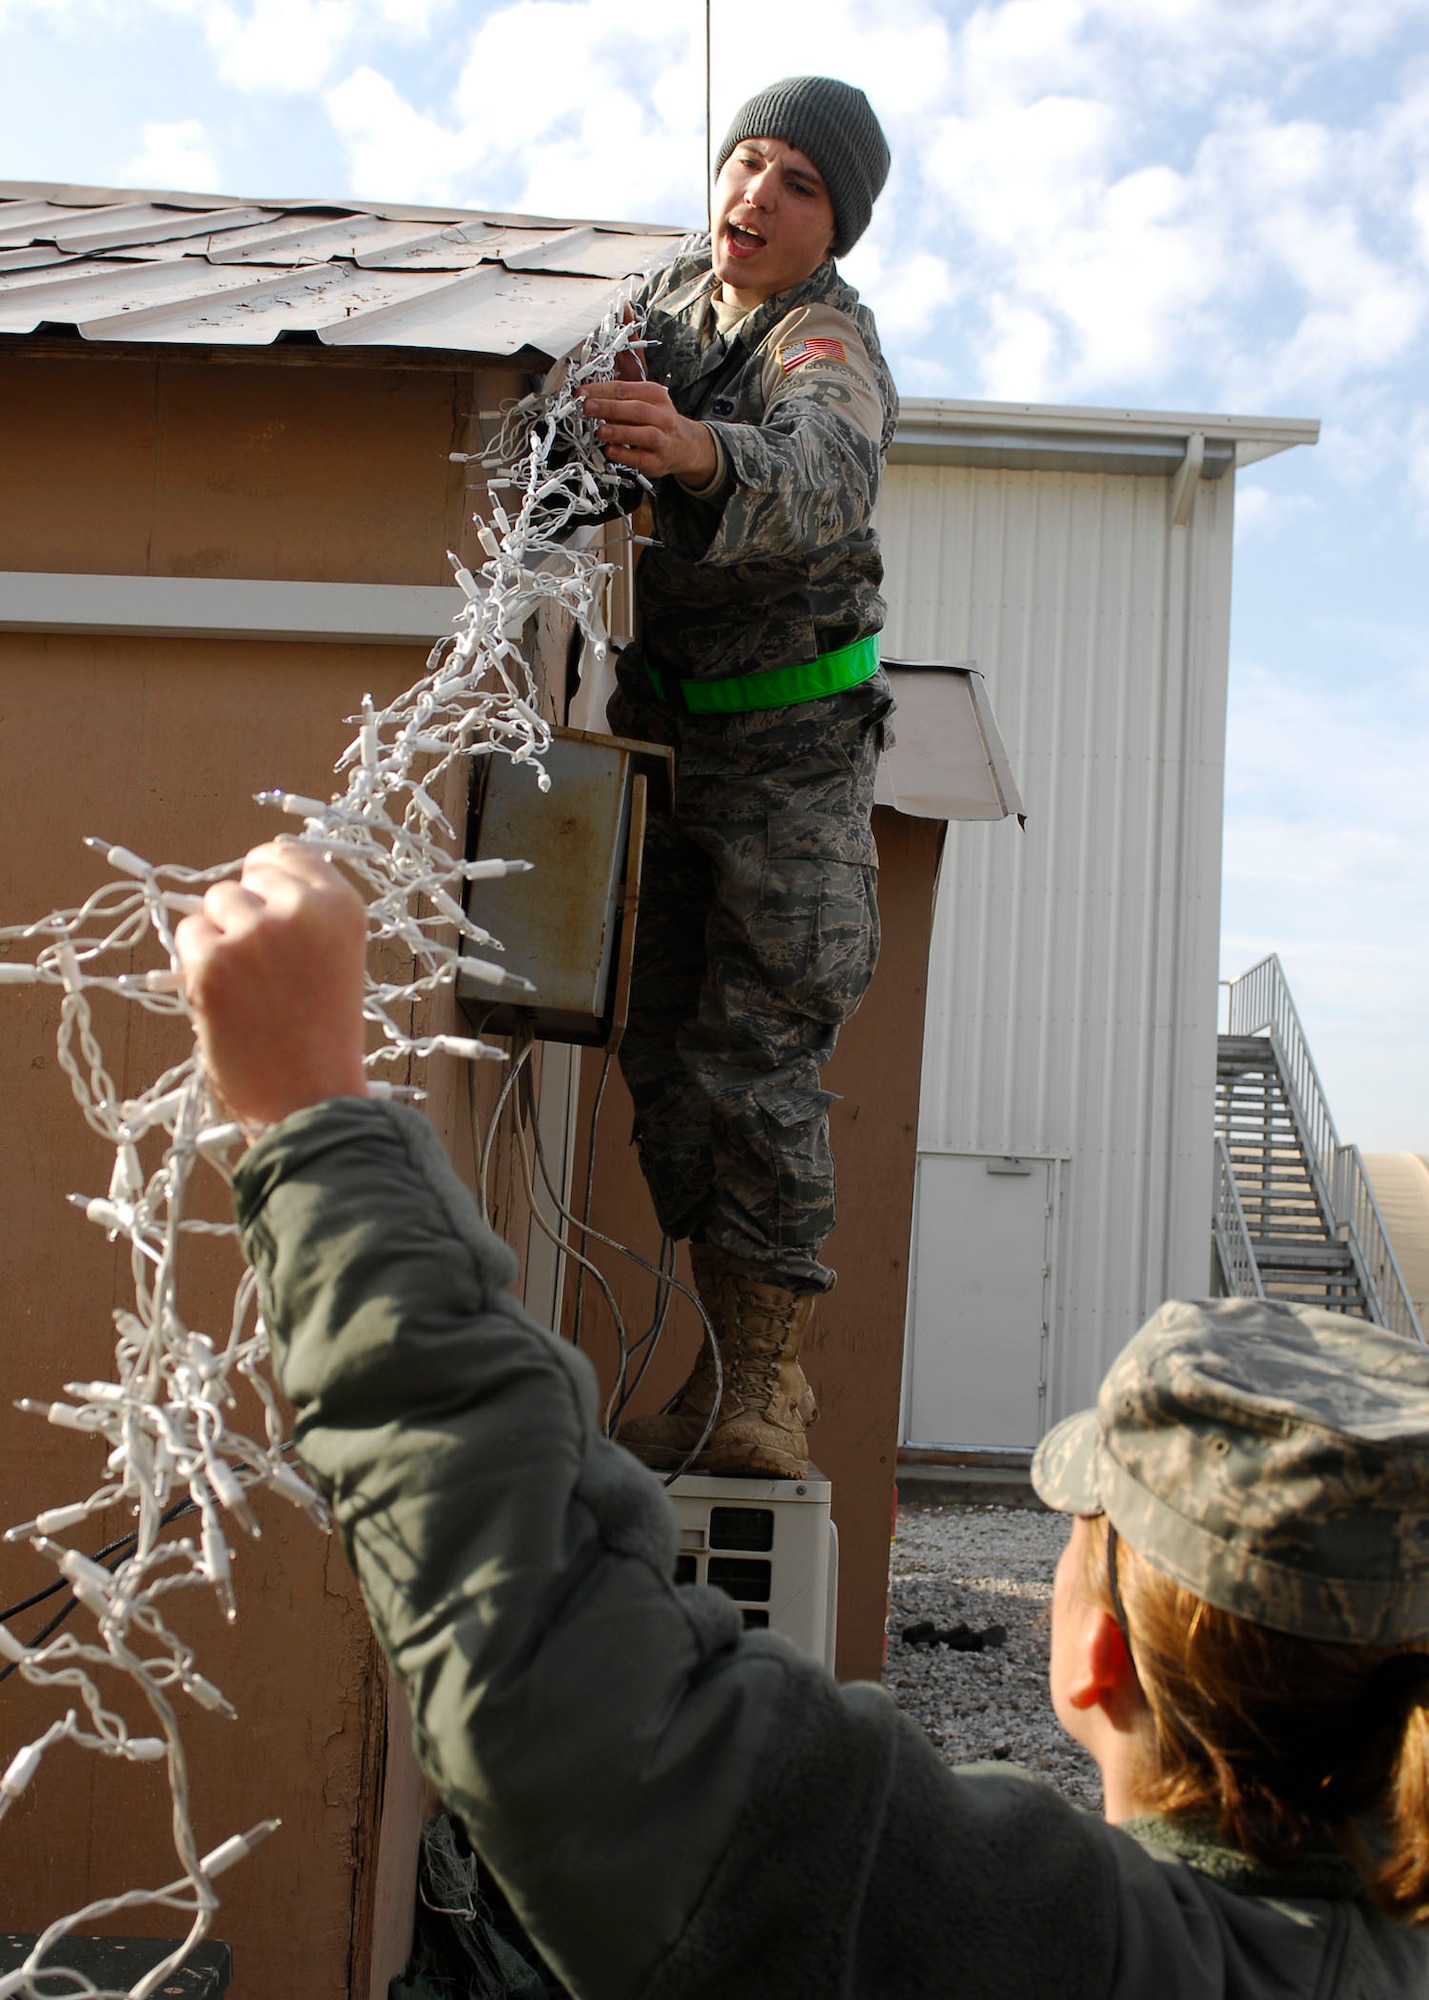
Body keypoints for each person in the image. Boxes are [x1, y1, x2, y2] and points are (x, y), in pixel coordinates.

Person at [178, 839, 1429, 2000]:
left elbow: (585, 1712)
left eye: (1077, 1530)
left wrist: (316, 1128)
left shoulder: (1070, 1948)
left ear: (1103, 1652)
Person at [572, 77, 898, 1480]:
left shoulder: (822, 340)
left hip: (790, 763)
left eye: (798, 183)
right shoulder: (663, 298)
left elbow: (831, 469)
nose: (756, 195)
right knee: (663, 1062)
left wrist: (701, 450)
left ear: (835, 228)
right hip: (672, 740)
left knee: (757, 1066)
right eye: (746, 164)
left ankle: (764, 1386)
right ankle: (718, 1369)